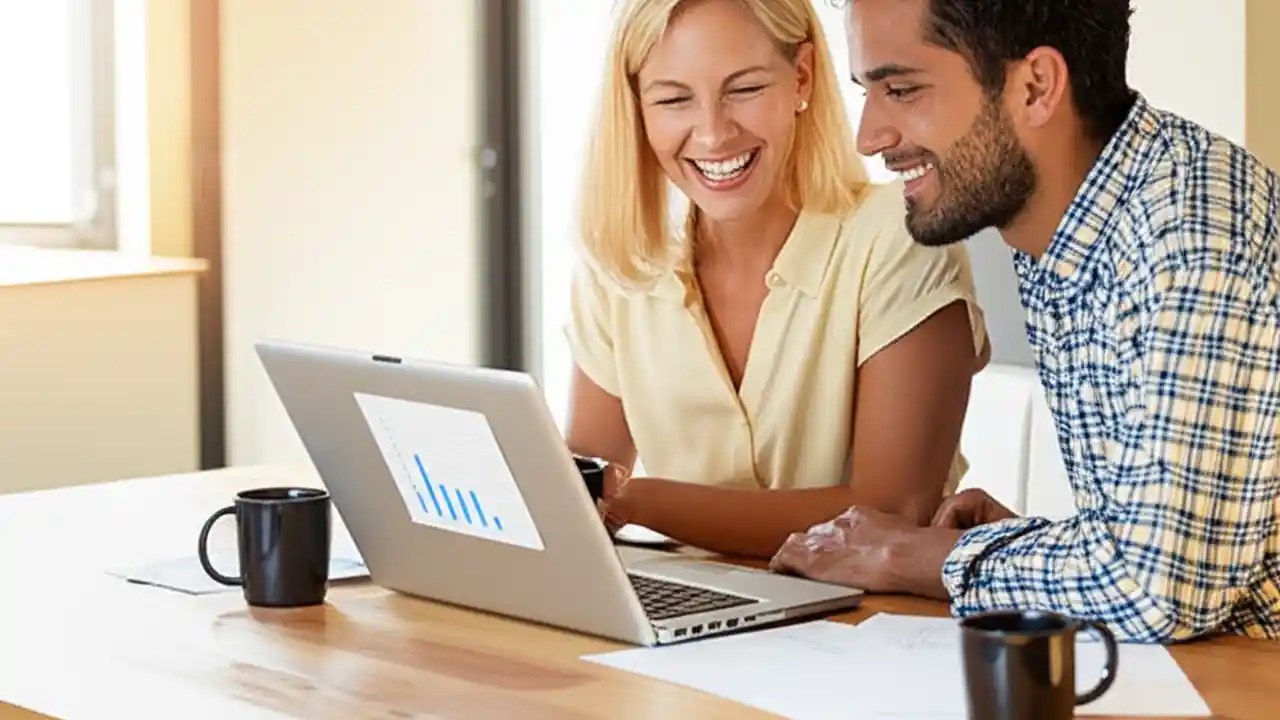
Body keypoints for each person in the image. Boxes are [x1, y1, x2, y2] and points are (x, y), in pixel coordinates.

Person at [771, 0, 1280, 643]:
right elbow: (1169, 559)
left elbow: (1162, 593)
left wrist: (915, 556)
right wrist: (1022, 544)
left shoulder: (1190, 236)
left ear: (1035, 86)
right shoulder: (1069, 225)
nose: (869, 137)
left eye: (901, 89)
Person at [563, 0, 990, 559]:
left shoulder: (899, 238)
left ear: (802, 78)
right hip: (687, 629)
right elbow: (577, 495)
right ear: (637, 109)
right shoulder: (623, 262)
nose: (714, 135)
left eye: (744, 90)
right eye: (672, 99)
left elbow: (890, 511)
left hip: (869, 629)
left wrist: (636, 502)